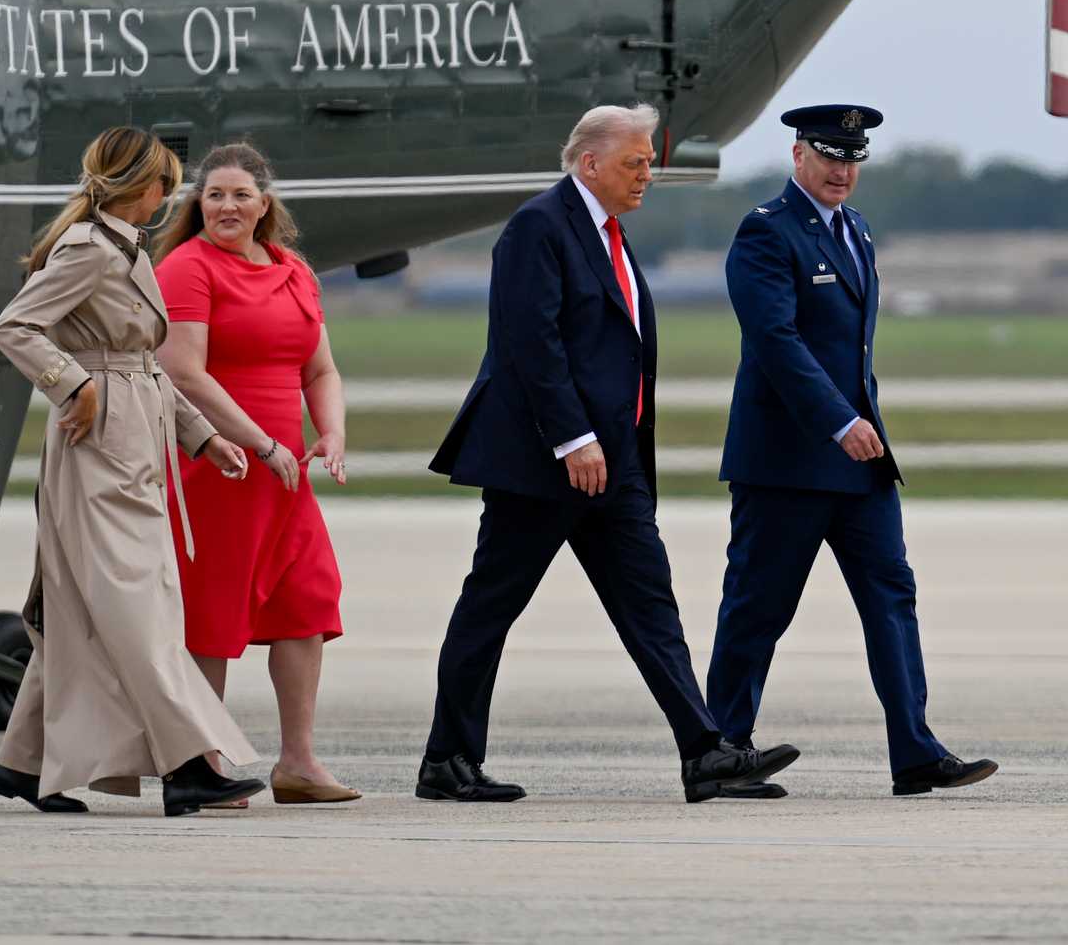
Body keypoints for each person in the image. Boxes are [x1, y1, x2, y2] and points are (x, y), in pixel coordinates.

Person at [421, 104, 799, 803]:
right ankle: (447, 760)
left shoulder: (609, 235)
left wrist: (611, 446)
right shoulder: (539, 227)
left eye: (650, 162)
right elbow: (531, 344)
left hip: (611, 465)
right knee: (491, 607)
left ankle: (705, 752)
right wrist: (573, 438)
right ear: (590, 163)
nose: (648, 175)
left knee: (651, 608)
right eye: (637, 162)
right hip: (544, 462)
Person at [706, 104, 998, 797]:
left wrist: (858, 430)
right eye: (830, 155)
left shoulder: (858, 232)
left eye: (853, 158)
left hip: (861, 462)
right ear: (797, 156)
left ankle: (916, 752)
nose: (843, 170)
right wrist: (839, 422)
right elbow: (777, 343)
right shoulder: (766, 233)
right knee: (758, 606)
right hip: (787, 462)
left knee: (892, 595)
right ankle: (721, 751)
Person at [0, 126, 267, 817]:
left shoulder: (120, 247)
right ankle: (190, 765)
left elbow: (144, 365)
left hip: (132, 438)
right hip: (100, 448)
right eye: (166, 183)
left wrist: (201, 437)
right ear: (146, 188)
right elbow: (16, 328)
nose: (172, 196)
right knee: (139, 611)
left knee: (85, 606)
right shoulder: (89, 249)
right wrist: (71, 384)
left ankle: (23, 764)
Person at [155, 143, 358, 807]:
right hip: (221, 460)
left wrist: (330, 432)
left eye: (241, 195)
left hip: (284, 470)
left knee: (306, 602)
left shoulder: (293, 270)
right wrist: (259, 441)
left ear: (265, 204)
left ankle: (297, 762)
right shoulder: (188, 268)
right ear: (198, 204)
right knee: (214, 609)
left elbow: (319, 369)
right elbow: (184, 371)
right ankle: (204, 759)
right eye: (214, 195)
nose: (226, 206)